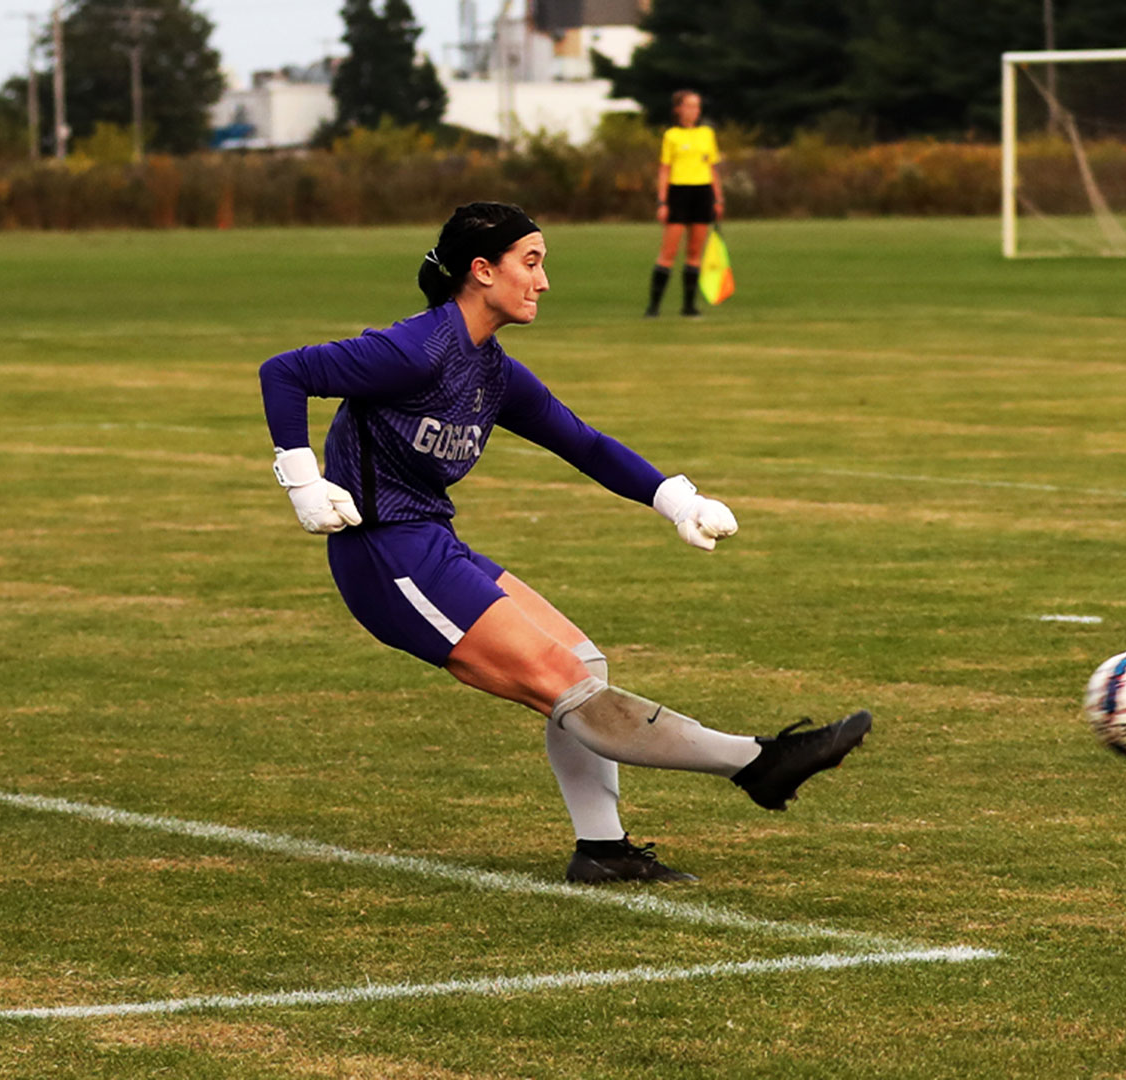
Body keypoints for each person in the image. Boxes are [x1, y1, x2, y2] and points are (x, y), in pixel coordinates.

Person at [259, 201, 870, 884]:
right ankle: (757, 762)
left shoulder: (490, 370)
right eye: (532, 261)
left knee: (583, 661)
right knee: (566, 684)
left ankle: (602, 851)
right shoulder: (415, 349)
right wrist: (302, 479)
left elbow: (583, 442)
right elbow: (284, 371)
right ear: (482, 271)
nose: (544, 280)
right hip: (386, 557)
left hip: (433, 542)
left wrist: (676, 501)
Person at [646, 89, 724, 319]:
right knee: (668, 251)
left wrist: (718, 198)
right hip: (678, 193)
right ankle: (654, 306)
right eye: (689, 106)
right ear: (678, 109)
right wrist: (663, 201)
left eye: (697, 106)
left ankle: (689, 306)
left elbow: (712, 168)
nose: (694, 111)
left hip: (702, 192)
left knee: (694, 252)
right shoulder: (672, 136)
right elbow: (664, 170)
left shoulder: (707, 134)